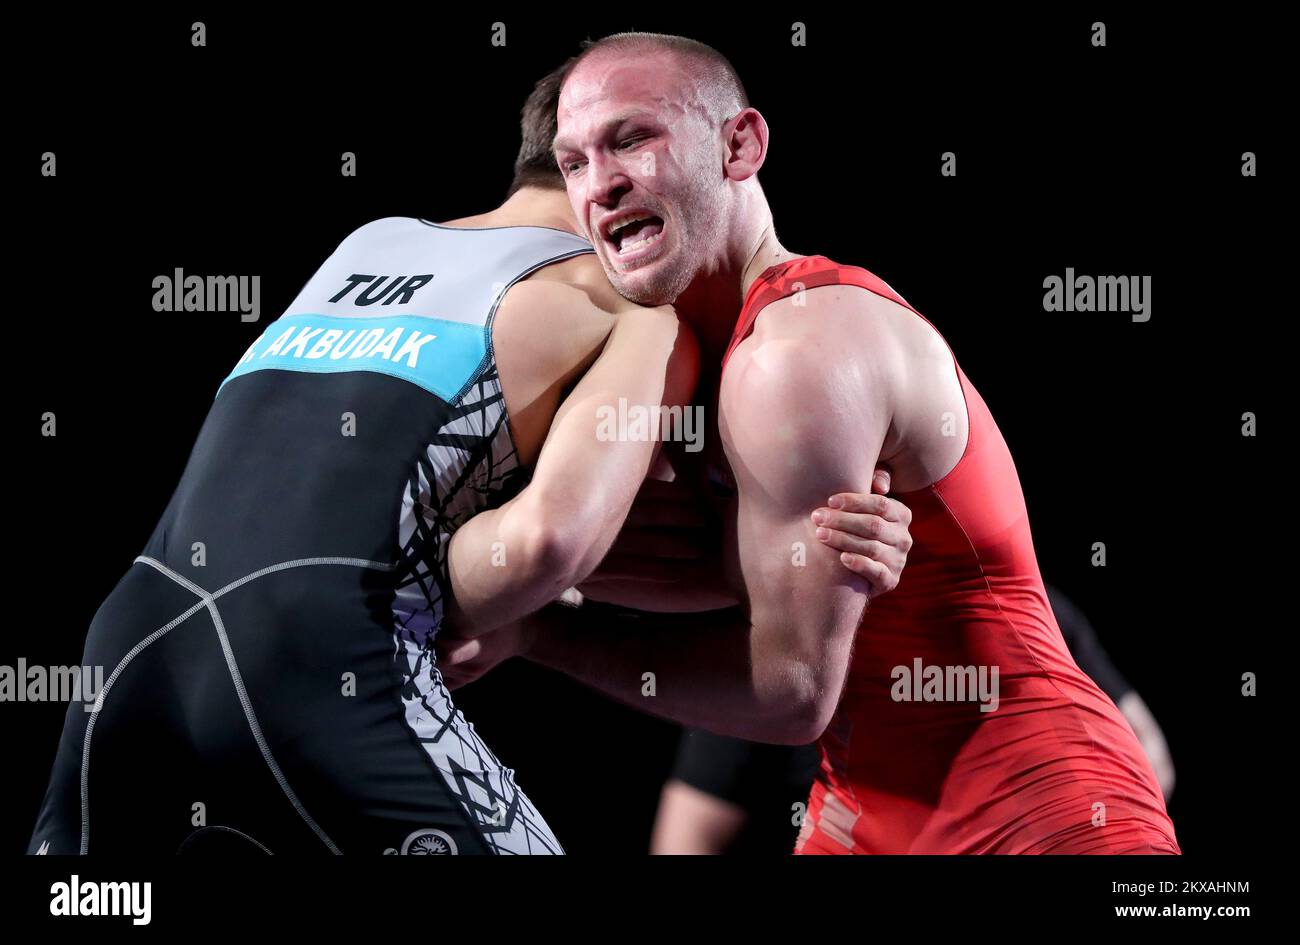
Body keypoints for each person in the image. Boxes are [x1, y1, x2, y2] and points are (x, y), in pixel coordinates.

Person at [441, 32, 1180, 854]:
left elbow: (790, 691)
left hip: (1037, 811)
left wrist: (540, 631)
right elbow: (712, 570)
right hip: (860, 809)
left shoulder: (796, 351)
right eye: (573, 161)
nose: (600, 185)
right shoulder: (680, 353)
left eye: (632, 138)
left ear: (740, 146)